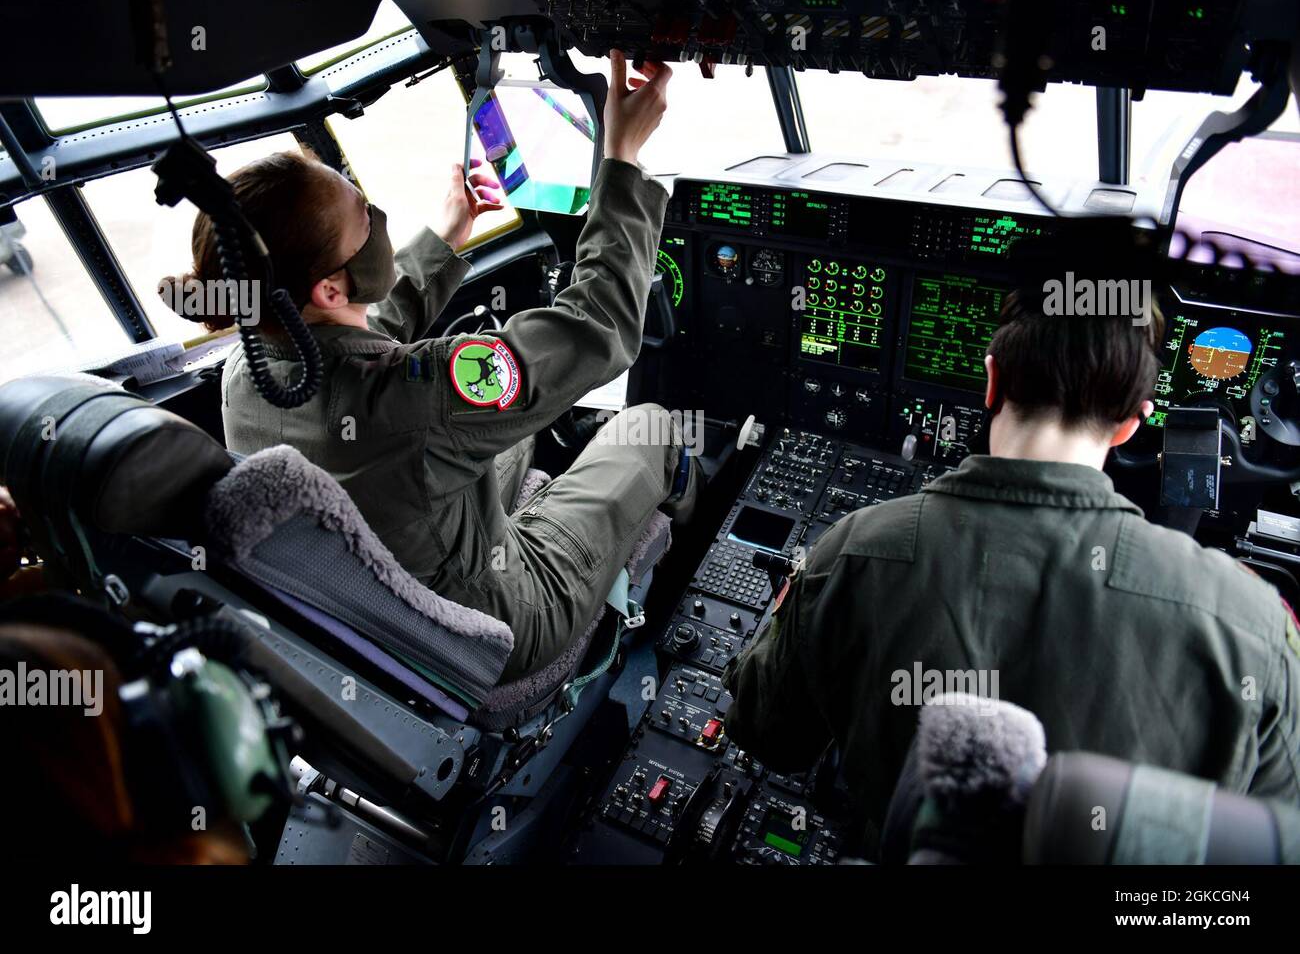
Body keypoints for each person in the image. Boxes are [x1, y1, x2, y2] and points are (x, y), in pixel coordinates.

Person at [163, 51, 694, 682]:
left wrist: (450, 230)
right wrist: (622, 158)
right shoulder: (419, 393)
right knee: (656, 427)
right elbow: (599, 325)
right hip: (501, 619)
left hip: (395, 575)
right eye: (366, 220)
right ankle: (693, 566)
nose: (378, 222)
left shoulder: (251, 367)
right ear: (332, 289)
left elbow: (360, 341)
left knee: (514, 431)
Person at [724, 291, 1300, 847]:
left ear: (993, 380)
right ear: (1131, 423)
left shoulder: (851, 552)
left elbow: (769, 737)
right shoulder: (1255, 628)